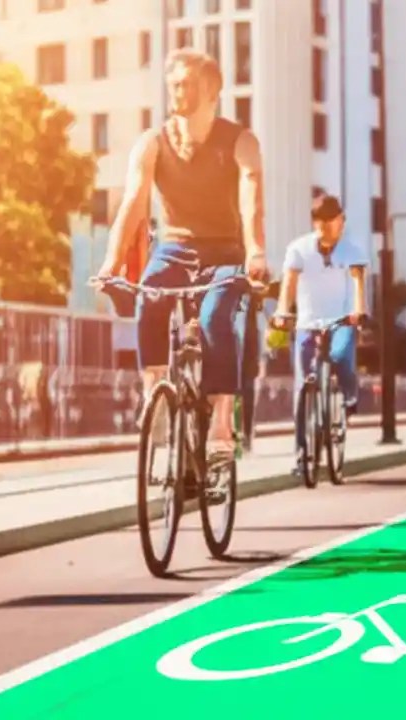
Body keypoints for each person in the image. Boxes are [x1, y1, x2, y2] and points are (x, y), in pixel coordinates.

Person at [94, 48, 267, 462]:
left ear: (212, 91)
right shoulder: (152, 143)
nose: (177, 91)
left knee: (215, 319)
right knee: (150, 297)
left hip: (225, 251)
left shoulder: (241, 142)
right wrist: (111, 263)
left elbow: (252, 199)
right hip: (174, 248)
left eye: (186, 84)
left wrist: (256, 251)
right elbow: (133, 204)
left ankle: (222, 421)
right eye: (173, 83)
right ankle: (154, 394)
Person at [272, 194, 368, 459]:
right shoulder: (298, 249)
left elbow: (358, 282)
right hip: (308, 322)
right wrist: (282, 311)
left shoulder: (352, 250)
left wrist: (359, 311)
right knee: (302, 385)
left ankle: (349, 396)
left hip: (342, 320)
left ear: (341, 221)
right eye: (319, 220)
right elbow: (289, 283)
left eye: (331, 219)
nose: (325, 225)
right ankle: (301, 454)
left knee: (341, 355)